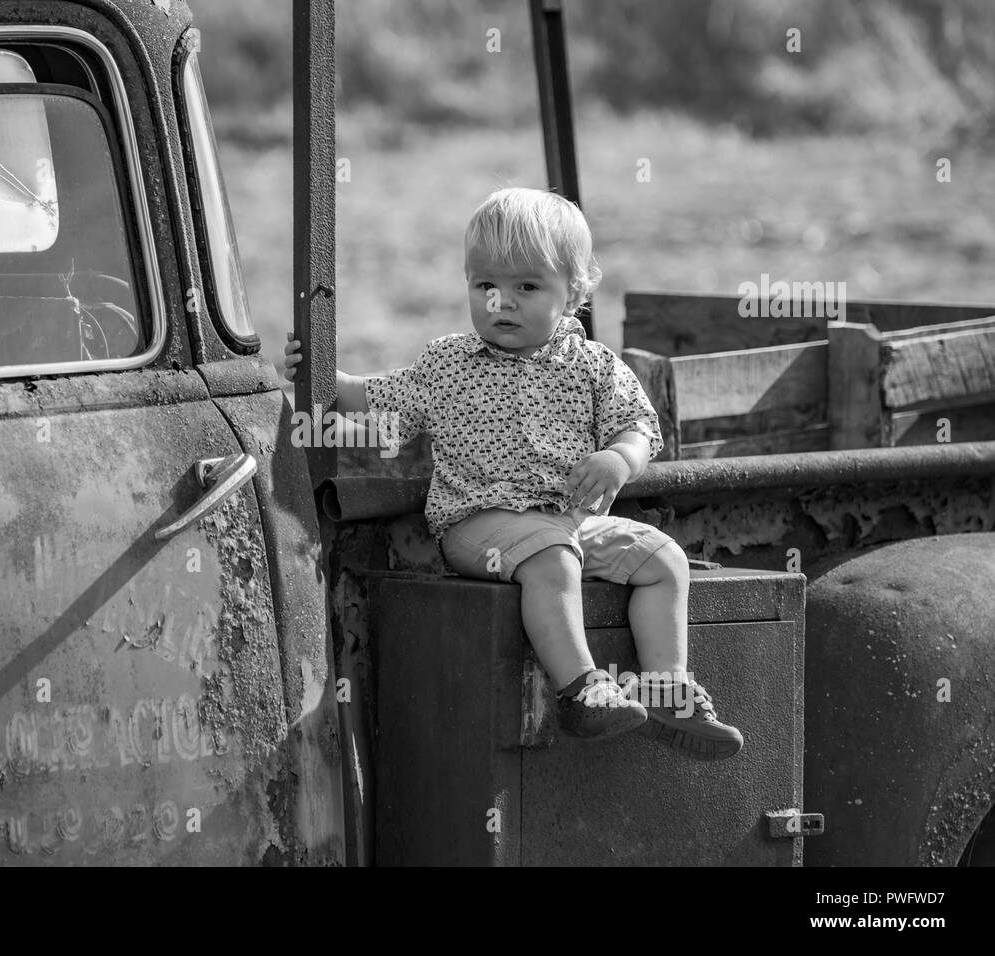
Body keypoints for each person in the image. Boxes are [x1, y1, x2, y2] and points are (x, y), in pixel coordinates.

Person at [284, 186, 743, 760]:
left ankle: (665, 686)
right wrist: (319, 374)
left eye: (526, 286)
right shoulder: (448, 363)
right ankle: (582, 689)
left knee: (663, 560)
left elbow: (638, 427)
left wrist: (616, 459)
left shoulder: (596, 367)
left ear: (573, 292)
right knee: (552, 559)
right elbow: (372, 396)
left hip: (568, 522)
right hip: (479, 525)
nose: (502, 302)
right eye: (486, 286)